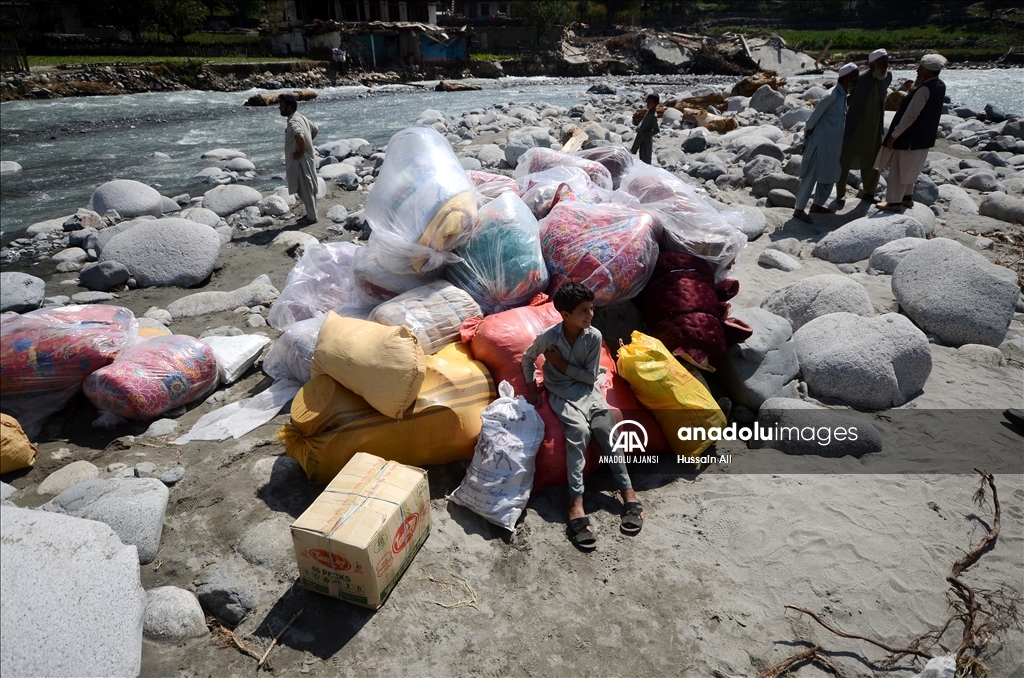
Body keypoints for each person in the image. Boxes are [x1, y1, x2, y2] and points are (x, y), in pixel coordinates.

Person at [521, 283, 644, 550]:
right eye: (582, 311)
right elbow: (528, 358)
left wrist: (560, 364)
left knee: (606, 431)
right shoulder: (549, 337)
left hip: (589, 392)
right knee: (578, 433)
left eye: (591, 309)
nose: (589, 315)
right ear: (565, 315)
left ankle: (628, 493)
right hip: (561, 395)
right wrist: (532, 388)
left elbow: (590, 377)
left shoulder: (594, 337)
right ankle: (575, 503)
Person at [874, 54, 947, 211]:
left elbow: (911, 115)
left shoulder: (923, 90)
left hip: (910, 138)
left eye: (920, 68)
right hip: (924, 138)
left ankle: (894, 202)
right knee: (911, 168)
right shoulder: (940, 85)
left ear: (927, 71)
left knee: (899, 170)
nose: (917, 70)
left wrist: (894, 135)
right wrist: (912, 90)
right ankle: (907, 197)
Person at [792, 63, 860, 224]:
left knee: (829, 176)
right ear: (847, 79)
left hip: (834, 145)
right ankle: (799, 209)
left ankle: (817, 205)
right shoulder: (830, 96)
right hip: (820, 145)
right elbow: (812, 120)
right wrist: (806, 139)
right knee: (810, 177)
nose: (856, 82)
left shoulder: (843, 96)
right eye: (855, 79)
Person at [835, 48, 892, 207]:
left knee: (873, 162)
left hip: (874, 130)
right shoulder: (859, 80)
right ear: (872, 65)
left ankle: (869, 193)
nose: (885, 67)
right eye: (882, 64)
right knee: (844, 160)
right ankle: (840, 194)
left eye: (887, 63)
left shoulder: (886, 78)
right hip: (854, 129)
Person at [279, 93, 319, 225]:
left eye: (282, 105)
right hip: (306, 159)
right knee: (306, 189)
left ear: (289, 107)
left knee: (305, 189)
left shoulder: (293, 121)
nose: (279, 108)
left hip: (301, 162)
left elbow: (299, 135)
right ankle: (311, 214)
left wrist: (302, 150)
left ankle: (312, 217)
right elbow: (315, 129)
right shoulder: (300, 117)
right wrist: (308, 144)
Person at [631, 93, 660, 165]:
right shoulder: (648, 112)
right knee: (641, 155)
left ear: (655, 104)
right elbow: (643, 121)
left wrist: (647, 133)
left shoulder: (654, 116)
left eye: (650, 102)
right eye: (647, 102)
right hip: (641, 138)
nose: (648, 104)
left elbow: (657, 130)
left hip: (646, 139)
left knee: (647, 157)